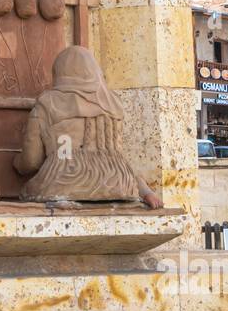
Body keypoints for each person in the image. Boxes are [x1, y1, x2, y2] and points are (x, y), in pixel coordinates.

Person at [14, 45, 160, 207]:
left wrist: (17, 163)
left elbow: (31, 161)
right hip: (118, 185)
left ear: (59, 72)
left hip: (62, 184)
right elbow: (118, 156)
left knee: (29, 191)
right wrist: (145, 191)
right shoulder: (114, 105)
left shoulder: (47, 103)